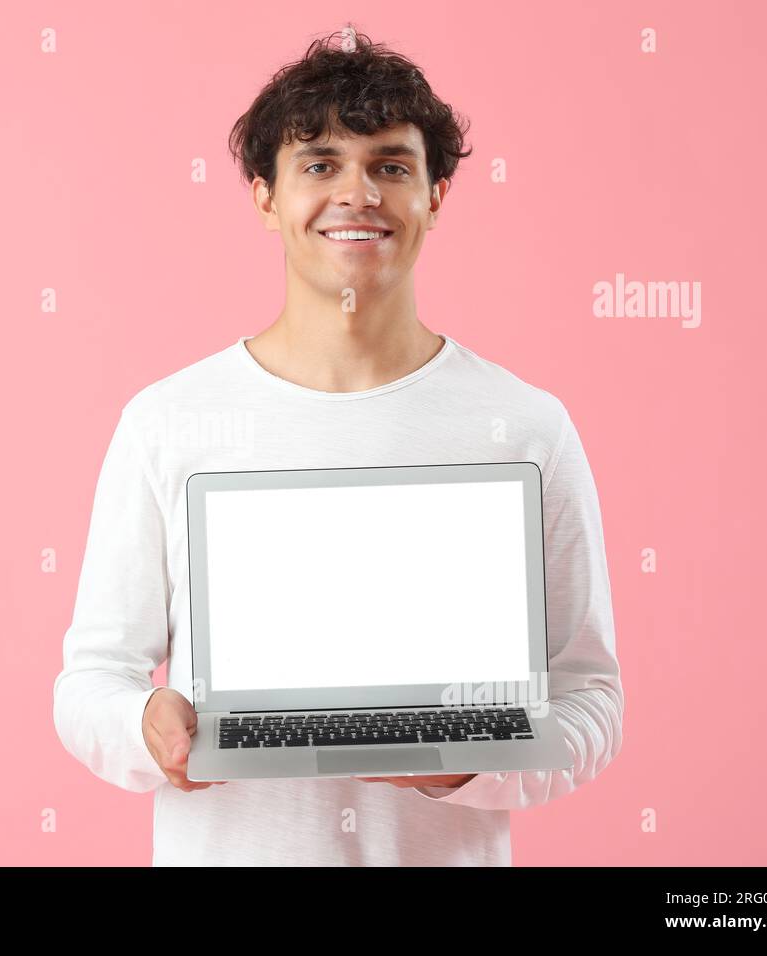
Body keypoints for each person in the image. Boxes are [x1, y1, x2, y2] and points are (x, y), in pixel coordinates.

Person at [52, 28, 624, 866]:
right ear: (265, 195)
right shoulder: (168, 422)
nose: (356, 193)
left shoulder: (527, 425)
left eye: (391, 165)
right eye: (319, 164)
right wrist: (145, 728)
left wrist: (466, 769)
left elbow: (590, 701)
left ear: (435, 195)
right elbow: (91, 680)